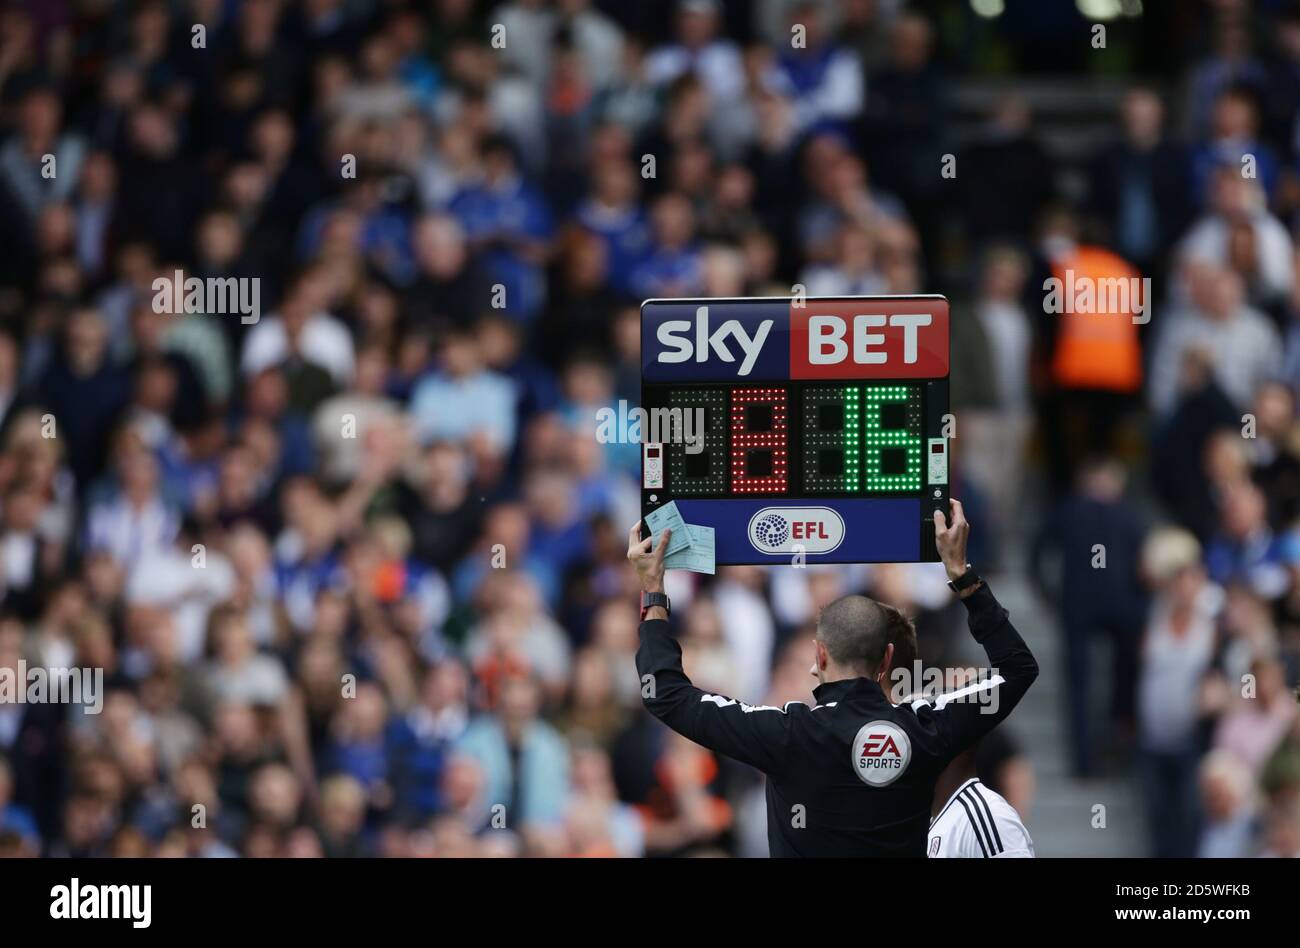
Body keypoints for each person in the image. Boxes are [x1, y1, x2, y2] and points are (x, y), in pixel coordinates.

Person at [628, 499, 1038, 857]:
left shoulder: (782, 733)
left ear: (819, 655)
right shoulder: (926, 728)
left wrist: (653, 590)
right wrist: (962, 575)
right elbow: (1019, 668)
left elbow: (663, 691)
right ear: (888, 657)